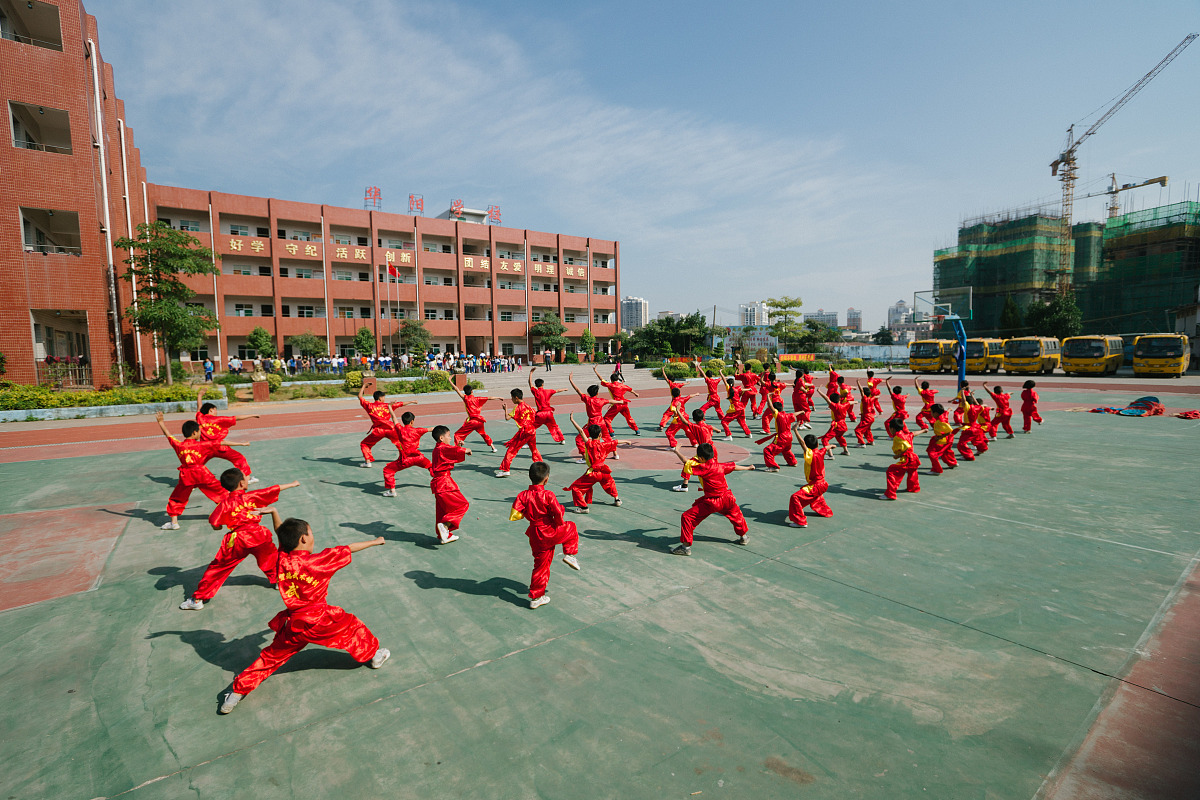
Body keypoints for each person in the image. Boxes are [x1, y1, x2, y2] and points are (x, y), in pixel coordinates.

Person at [218, 519, 389, 714]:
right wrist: (376, 541)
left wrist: (274, 513)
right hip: (320, 619)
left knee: (269, 658)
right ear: (304, 538)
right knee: (353, 627)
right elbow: (348, 549)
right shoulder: (319, 561)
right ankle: (374, 656)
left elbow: (281, 537)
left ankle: (236, 693)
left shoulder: (282, 559)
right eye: (311, 532)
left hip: (292, 625)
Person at [179, 470, 300, 610]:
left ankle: (197, 599)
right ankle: (279, 581)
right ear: (242, 483)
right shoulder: (252, 496)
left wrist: (219, 528)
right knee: (270, 559)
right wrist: (292, 484)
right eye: (246, 478)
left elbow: (214, 523)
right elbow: (273, 489)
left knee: (218, 568)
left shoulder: (224, 504)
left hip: (237, 540)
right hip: (259, 536)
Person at [510, 461, 581, 609]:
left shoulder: (523, 495)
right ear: (547, 479)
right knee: (571, 528)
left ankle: (537, 597)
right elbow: (558, 514)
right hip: (549, 531)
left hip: (535, 534)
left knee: (540, 565)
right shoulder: (548, 495)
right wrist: (559, 518)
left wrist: (529, 513)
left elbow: (515, 515)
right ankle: (569, 554)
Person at [671, 442, 755, 555]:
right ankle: (743, 537)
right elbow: (734, 466)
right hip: (727, 498)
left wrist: (677, 451)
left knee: (687, 517)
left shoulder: (703, 467)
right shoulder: (720, 466)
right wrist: (748, 468)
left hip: (712, 502)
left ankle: (685, 548)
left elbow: (686, 462)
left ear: (700, 458)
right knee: (736, 516)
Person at [155, 411, 233, 530]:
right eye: (199, 431)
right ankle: (230, 513)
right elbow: (219, 442)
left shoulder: (179, 445)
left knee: (177, 498)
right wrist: (241, 443)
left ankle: (174, 523)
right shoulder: (200, 445)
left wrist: (161, 423)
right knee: (221, 492)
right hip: (202, 474)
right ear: (195, 432)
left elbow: (168, 435)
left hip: (186, 476)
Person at [565, 414, 629, 512]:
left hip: (593, 473)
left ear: (589, 435)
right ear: (600, 435)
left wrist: (572, 420)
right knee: (610, 483)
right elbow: (615, 442)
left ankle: (584, 507)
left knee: (576, 488)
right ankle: (617, 499)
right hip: (603, 471)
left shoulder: (589, 443)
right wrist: (627, 441)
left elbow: (581, 431)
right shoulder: (604, 444)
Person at [196, 387, 260, 483]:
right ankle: (247, 479)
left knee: (195, 464)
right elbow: (236, 418)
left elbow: (199, 407)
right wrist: (252, 415)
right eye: (215, 410)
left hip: (205, 448)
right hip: (220, 447)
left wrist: (200, 395)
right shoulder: (219, 419)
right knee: (239, 458)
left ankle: (192, 482)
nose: (216, 412)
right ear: (211, 410)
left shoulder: (200, 418)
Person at [430, 425, 470, 543]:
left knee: (442, 511)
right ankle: (446, 526)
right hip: (445, 483)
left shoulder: (438, 449)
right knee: (462, 505)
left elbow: (449, 455)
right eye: (448, 436)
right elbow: (451, 451)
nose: (450, 438)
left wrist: (458, 447)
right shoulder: (441, 448)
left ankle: (444, 535)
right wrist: (465, 450)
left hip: (439, 483)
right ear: (441, 438)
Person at [357, 385, 414, 466]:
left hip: (378, 431)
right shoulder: (387, 405)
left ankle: (368, 462)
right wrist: (411, 401)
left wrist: (363, 386)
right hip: (390, 428)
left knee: (365, 444)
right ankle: (404, 459)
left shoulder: (369, 406)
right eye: (383, 397)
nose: (384, 399)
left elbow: (360, 396)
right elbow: (401, 404)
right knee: (400, 443)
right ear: (380, 398)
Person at [787, 434, 832, 528]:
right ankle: (825, 511)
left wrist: (795, 430)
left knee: (795, 497)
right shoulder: (820, 452)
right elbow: (825, 448)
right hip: (823, 484)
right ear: (818, 444)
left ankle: (800, 522)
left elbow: (802, 443)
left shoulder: (810, 455)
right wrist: (831, 446)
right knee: (814, 496)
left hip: (816, 485)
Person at [382, 412, 432, 496]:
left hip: (405, 460)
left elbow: (394, 419)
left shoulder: (400, 429)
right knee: (431, 466)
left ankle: (392, 491)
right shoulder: (418, 430)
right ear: (412, 421)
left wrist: (390, 408)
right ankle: (439, 482)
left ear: (403, 421)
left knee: (388, 470)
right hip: (418, 458)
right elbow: (431, 429)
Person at [568, 372, 615, 462]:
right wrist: (621, 402)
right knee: (607, 437)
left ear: (589, 393)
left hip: (592, 423)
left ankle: (584, 457)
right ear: (597, 393)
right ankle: (615, 454)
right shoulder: (601, 400)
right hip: (601, 422)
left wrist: (571, 380)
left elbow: (577, 390)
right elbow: (610, 400)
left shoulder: (587, 399)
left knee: (579, 439)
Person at [496, 388, 542, 477]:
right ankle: (540, 465)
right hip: (532, 431)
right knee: (534, 449)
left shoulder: (517, 408)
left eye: (512, 397)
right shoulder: (529, 407)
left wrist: (505, 409)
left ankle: (505, 469)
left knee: (511, 450)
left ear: (516, 398)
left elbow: (507, 418)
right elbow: (535, 416)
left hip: (524, 432)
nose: (511, 399)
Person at [671, 407, 718, 491]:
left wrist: (678, 410)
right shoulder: (707, 426)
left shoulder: (695, 427)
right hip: (712, 449)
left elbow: (685, 421)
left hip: (703, 450)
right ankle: (714, 483)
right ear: (703, 418)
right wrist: (718, 430)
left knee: (688, 463)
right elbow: (711, 426)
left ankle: (684, 486)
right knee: (713, 467)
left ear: (693, 419)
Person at [880, 418, 921, 500]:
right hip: (913, 458)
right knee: (912, 472)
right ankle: (913, 488)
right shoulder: (905, 434)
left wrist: (898, 455)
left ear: (892, 429)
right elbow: (914, 433)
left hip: (907, 459)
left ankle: (890, 494)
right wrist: (924, 430)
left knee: (891, 472)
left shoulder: (898, 437)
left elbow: (907, 447)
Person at [595, 365, 641, 435]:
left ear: (611, 380)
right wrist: (636, 393)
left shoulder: (610, 385)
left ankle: (611, 432)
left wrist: (595, 371)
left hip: (617, 404)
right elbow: (630, 389)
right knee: (629, 417)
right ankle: (637, 430)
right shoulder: (622, 385)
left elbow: (601, 379)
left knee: (607, 418)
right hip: (624, 403)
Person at [451, 383, 496, 452]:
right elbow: (489, 397)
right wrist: (498, 397)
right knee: (483, 434)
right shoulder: (478, 399)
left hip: (472, 422)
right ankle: (493, 447)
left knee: (457, 435)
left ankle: (458, 449)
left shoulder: (465, 398)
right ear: (472, 391)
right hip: (480, 421)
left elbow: (457, 389)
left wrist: (450, 381)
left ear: (465, 392)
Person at [528, 366, 565, 444]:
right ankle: (562, 439)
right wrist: (564, 389)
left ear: (536, 385)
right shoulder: (548, 391)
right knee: (555, 426)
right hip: (549, 413)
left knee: (531, 427)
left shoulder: (536, 392)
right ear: (543, 384)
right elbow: (557, 390)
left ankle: (528, 441)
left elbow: (530, 384)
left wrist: (531, 373)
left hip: (541, 414)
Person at [757, 401, 797, 472]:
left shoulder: (778, 415)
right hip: (789, 436)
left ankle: (773, 466)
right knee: (786, 450)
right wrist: (801, 412)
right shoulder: (788, 415)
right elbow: (794, 414)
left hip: (782, 437)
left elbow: (771, 407)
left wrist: (768, 397)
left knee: (768, 450)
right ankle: (792, 462)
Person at [925, 403, 960, 474]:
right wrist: (949, 409)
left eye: (931, 412)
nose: (930, 413)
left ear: (936, 413)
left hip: (941, 440)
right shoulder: (942, 416)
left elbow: (950, 431)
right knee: (945, 453)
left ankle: (936, 470)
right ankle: (952, 463)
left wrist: (940, 437)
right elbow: (946, 413)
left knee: (932, 453)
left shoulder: (940, 421)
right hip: (945, 439)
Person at [818, 389, 852, 457]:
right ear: (839, 399)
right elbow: (850, 402)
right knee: (839, 436)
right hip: (844, 426)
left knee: (825, 439)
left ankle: (830, 455)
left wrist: (819, 391)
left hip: (837, 426)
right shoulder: (844, 405)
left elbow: (826, 398)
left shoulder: (834, 406)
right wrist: (856, 401)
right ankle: (846, 450)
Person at [853, 378, 877, 446]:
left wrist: (858, 382)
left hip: (867, 417)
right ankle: (871, 441)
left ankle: (861, 443)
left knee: (857, 430)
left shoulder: (865, 399)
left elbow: (861, 391)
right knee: (867, 430)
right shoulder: (871, 398)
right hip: (870, 416)